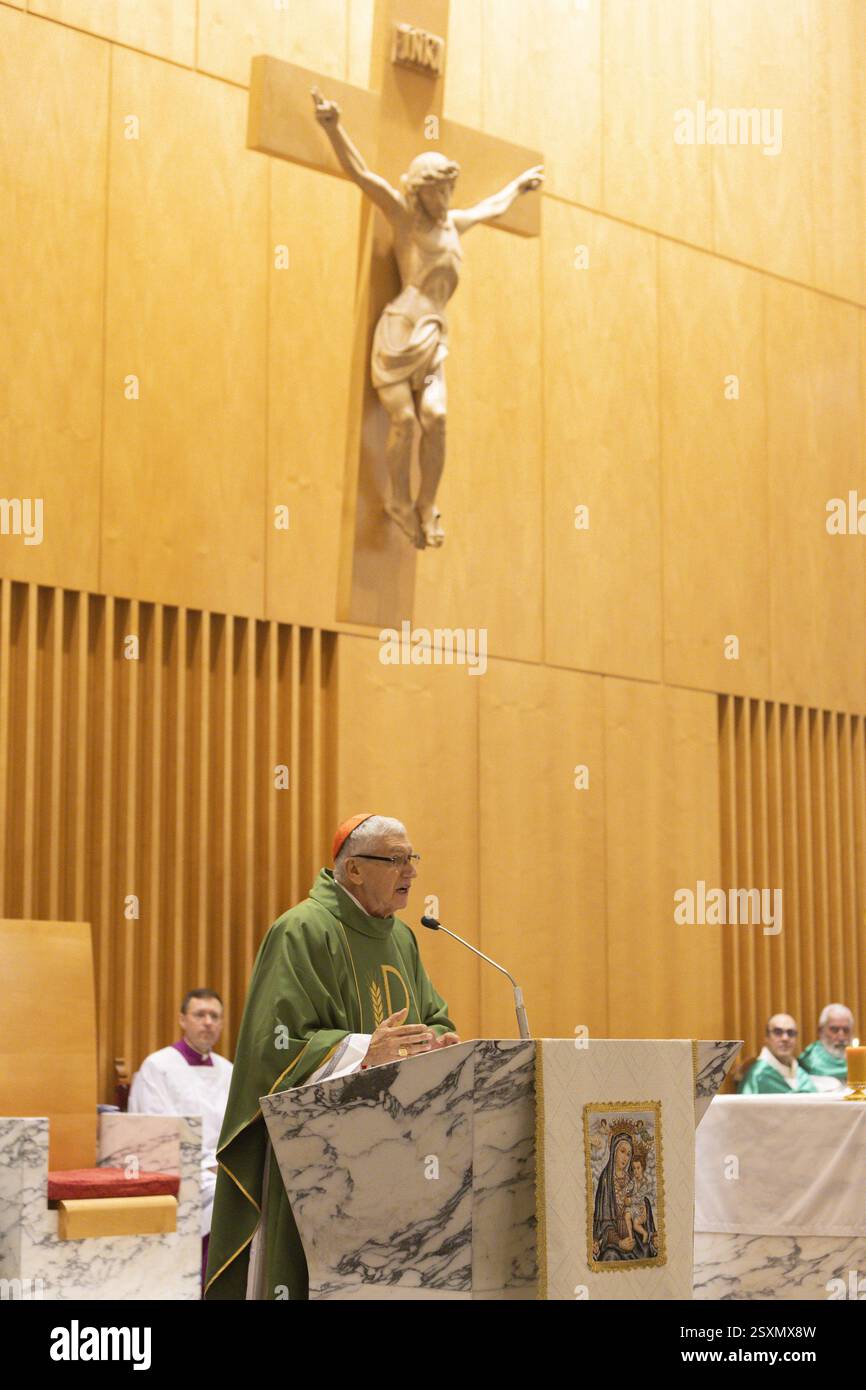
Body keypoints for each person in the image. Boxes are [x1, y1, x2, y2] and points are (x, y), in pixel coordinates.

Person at [205, 814, 460, 1301]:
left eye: (413, 859)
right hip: (318, 1155)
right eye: (397, 860)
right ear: (354, 869)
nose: (411, 872)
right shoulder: (300, 930)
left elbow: (434, 1017)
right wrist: (365, 1050)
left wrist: (440, 1042)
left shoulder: (402, 937)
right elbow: (274, 1048)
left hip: (397, 1150)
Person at [311, 84, 543, 551]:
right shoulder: (405, 220)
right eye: (438, 191)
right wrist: (333, 128)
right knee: (405, 422)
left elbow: (491, 207)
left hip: (434, 336)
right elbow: (362, 175)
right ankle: (399, 500)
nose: (445, 198)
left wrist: (518, 187)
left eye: (449, 190)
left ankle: (426, 502)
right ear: (419, 192)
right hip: (399, 333)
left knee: (436, 416)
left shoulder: (452, 224)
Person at [128, 989, 233, 1286]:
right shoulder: (158, 1067)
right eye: (200, 1015)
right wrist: (206, 1166)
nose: (208, 1022)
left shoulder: (229, 1071)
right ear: (182, 1020)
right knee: (223, 1194)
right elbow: (154, 1132)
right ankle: (203, 1286)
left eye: (215, 1016)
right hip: (175, 1167)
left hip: (220, 1168)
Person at [737, 1014, 818, 1093]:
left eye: (791, 1033)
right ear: (767, 1037)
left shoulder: (801, 1075)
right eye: (778, 1032)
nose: (785, 1038)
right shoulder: (757, 1075)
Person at [798, 1003, 855, 1088]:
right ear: (821, 1031)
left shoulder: (860, 1059)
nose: (841, 1036)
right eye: (834, 1030)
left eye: (846, 1030)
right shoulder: (808, 1061)